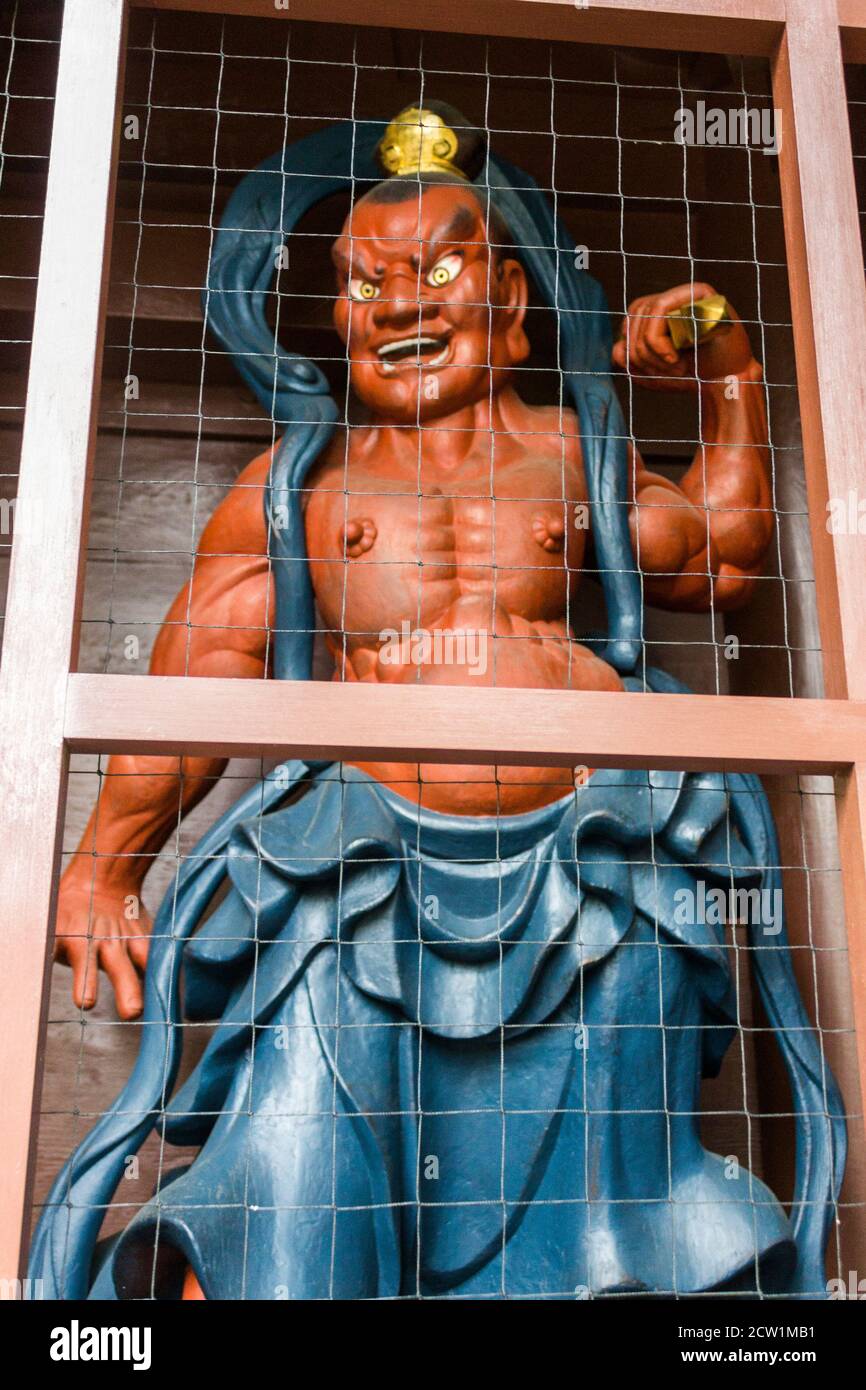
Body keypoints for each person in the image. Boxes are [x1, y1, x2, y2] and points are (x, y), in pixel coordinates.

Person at [33, 104, 843, 1300]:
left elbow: (717, 559)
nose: (402, 303)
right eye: (364, 286)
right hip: (355, 869)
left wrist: (726, 373)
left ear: (511, 303)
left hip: (595, 857)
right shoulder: (301, 485)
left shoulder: (579, 457)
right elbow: (201, 665)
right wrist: (106, 860)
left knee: (621, 1185)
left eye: (440, 270)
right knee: (295, 1167)